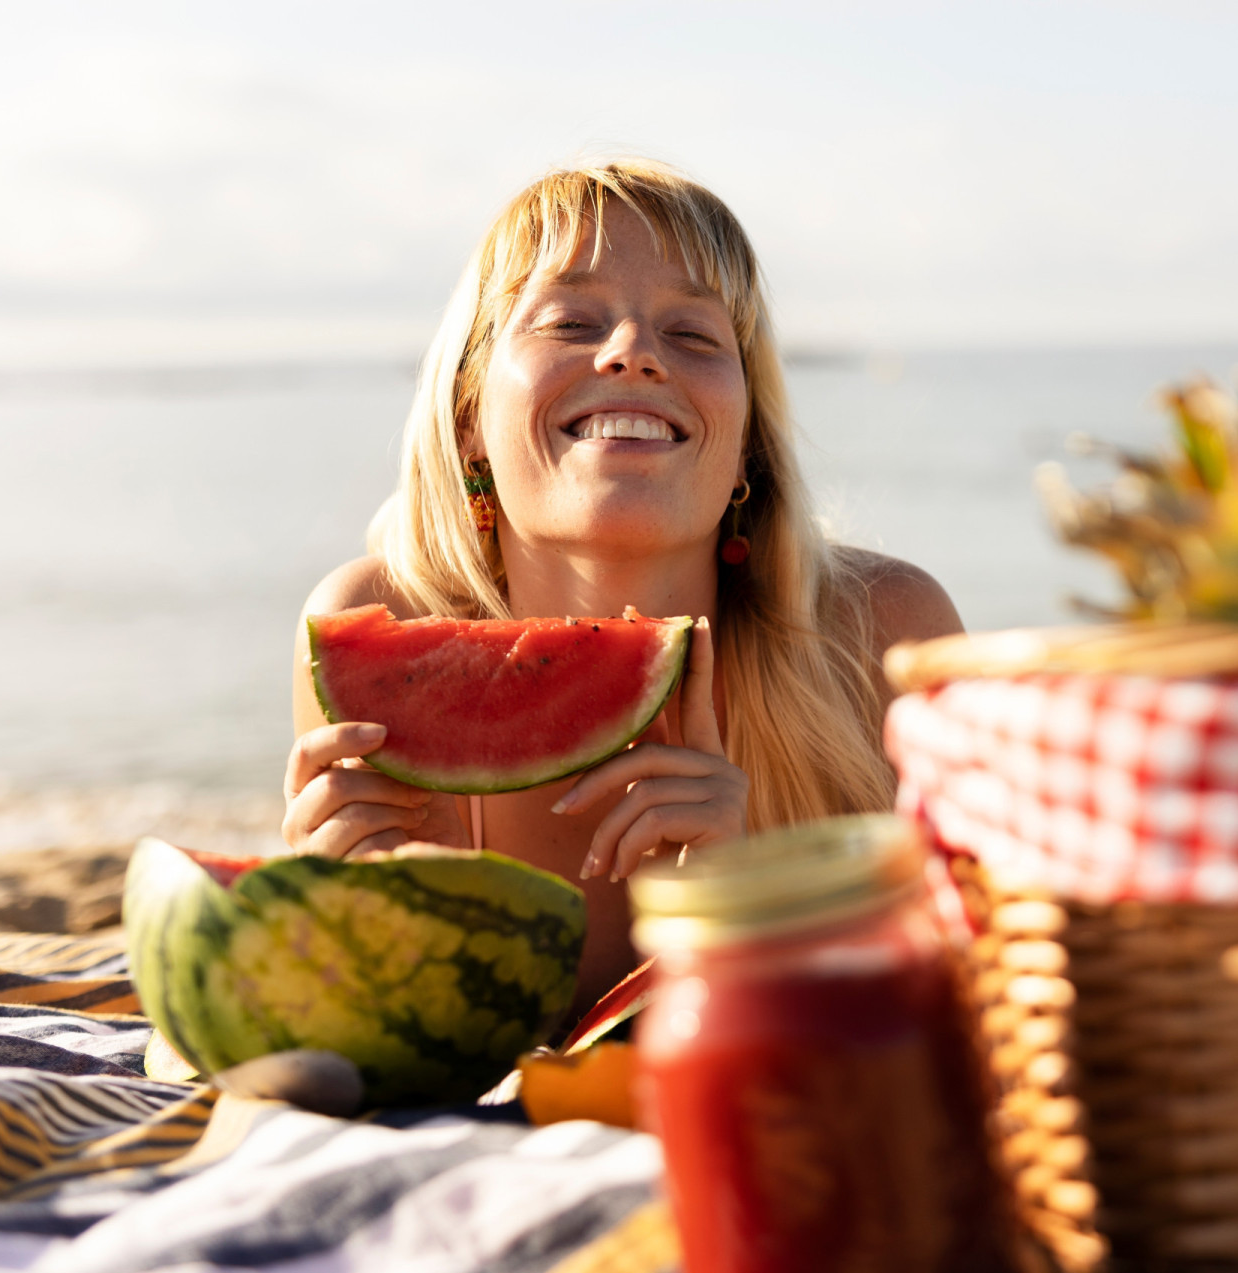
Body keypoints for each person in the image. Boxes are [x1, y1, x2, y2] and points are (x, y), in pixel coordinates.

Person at [282, 160, 962, 1009]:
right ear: (469, 421)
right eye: (569, 321)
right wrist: (346, 945)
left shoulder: (885, 638)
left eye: (694, 335)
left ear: (746, 439)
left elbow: (988, 997)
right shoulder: (374, 629)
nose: (633, 352)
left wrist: (751, 910)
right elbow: (377, 1036)